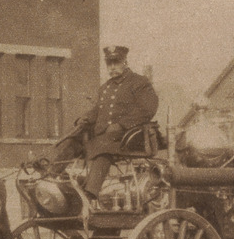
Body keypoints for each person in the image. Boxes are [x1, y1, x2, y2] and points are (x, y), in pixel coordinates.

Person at [45, 46, 159, 199]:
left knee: (103, 146)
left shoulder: (139, 82)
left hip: (129, 136)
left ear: (125, 61)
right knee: (73, 139)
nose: (112, 67)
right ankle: (51, 176)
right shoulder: (105, 88)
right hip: (106, 134)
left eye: (116, 63)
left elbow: (147, 109)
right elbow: (98, 111)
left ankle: (90, 192)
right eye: (109, 64)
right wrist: (83, 119)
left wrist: (121, 125)